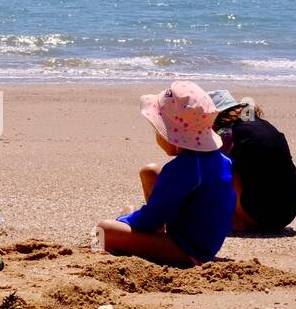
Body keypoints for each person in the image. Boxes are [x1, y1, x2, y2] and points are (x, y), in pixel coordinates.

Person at [96, 80, 236, 266]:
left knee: (103, 231)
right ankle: (145, 231)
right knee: (151, 172)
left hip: (187, 251)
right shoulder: (222, 161)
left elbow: (149, 221)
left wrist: (123, 221)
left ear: (173, 137)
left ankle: (136, 235)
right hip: (204, 243)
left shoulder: (182, 169)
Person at [209, 89, 296, 232]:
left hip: (261, 214)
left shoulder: (227, 133)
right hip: (290, 209)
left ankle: (237, 220)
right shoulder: (260, 124)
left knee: (219, 165)